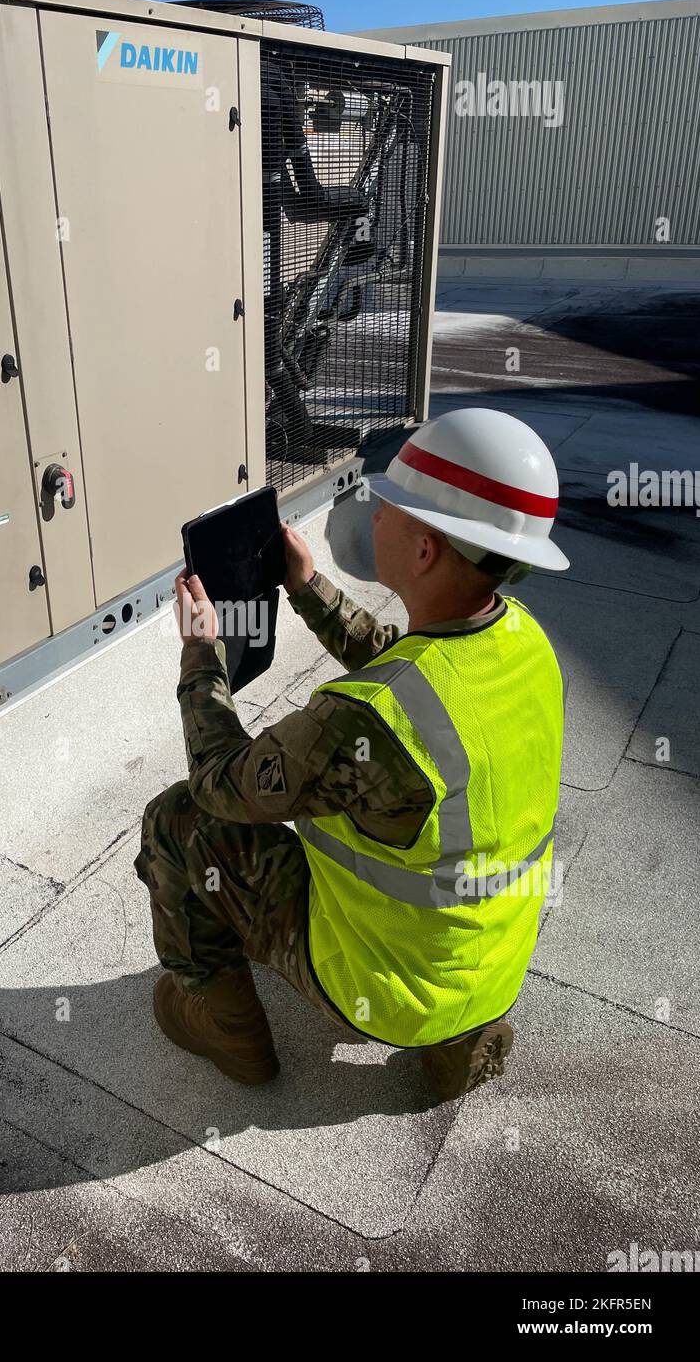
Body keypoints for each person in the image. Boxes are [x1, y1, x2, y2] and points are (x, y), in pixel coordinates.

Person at [134, 408, 569, 1101]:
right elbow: (408, 667)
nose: (374, 517)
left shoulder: (362, 722)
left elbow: (220, 783)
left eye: (387, 507)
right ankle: (458, 1039)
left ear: (423, 550)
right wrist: (309, 590)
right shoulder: (524, 644)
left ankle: (226, 1029)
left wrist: (199, 653)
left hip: (385, 989)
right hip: (488, 968)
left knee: (177, 822)